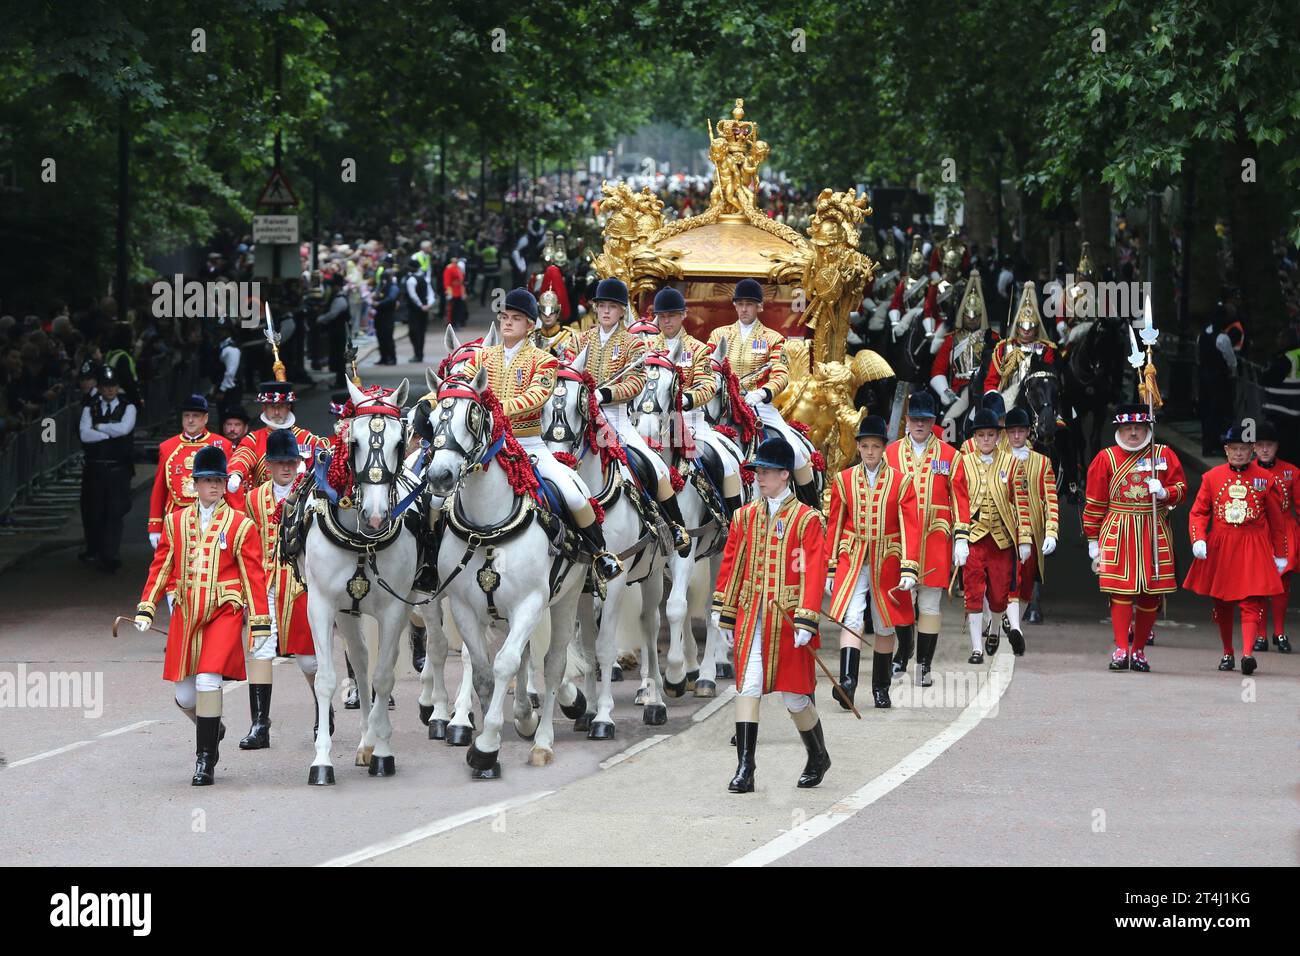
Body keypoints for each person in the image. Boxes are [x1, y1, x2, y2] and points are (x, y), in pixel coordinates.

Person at [437, 288, 621, 581]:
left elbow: (537, 396)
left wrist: (493, 410)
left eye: (517, 318)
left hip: (530, 444)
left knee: (573, 495)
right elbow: (460, 387)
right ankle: (429, 564)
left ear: (531, 325)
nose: (508, 323)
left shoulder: (544, 360)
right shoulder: (479, 358)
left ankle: (600, 554)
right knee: (437, 497)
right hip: (485, 445)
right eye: (505, 317)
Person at [134, 445, 272, 785]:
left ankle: (205, 759)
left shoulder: (241, 525)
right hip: (186, 613)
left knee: (209, 679)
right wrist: (147, 607)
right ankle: (213, 728)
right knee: (184, 696)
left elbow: (254, 576)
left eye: (218, 481)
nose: (212, 486)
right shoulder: (175, 521)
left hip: (224, 611)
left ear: (225, 484)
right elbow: (161, 566)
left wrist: (259, 624)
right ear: (194, 484)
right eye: (206, 481)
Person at [711, 435, 830, 792]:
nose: (759, 478)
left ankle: (818, 754)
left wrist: (808, 618)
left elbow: (815, 569)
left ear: (784, 475)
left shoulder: (807, 519)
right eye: (757, 471)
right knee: (747, 687)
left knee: (795, 697)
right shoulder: (744, 516)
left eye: (765, 472)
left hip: (789, 619)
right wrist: (725, 613)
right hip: (752, 617)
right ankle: (746, 769)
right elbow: (732, 565)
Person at [575, 277, 691, 556]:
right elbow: (567, 370)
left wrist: (606, 394)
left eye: (611, 307)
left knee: (655, 465)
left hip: (615, 417)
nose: (605, 312)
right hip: (579, 416)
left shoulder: (633, 345)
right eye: (601, 306)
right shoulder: (579, 339)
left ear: (622, 311)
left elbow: (636, 382)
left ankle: (676, 526)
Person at [1082, 404, 1188, 672]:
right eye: (1128, 428)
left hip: (1152, 530)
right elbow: (1094, 502)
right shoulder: (1105, 458)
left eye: (1138, 428)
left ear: (1147, 429)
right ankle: (1121, 648)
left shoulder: (1163, 454)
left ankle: (1139, 650)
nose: (1133, 434)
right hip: (1118, 529)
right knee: (1119, 591)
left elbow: (1181, 489)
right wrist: (1092, 538)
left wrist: (1164, 493)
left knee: (1150, 594)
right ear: (1119, 429)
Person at [826, 414, 920, 708]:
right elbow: (835, 524)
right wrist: (831, 566)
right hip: (853, 559)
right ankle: (848, 683)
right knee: (852, 617)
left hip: (888, 560)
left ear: (883, 448)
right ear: (858, 447)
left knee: (884, 625)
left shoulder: (902, 482)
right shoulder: (843, 479)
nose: (870, 451)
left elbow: (911, 527)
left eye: (875, 446)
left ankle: (881, 687)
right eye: (865, 445)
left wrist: (910, 566)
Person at [242, 428, 328, 749]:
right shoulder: (253, 499)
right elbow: (247, 544)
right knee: (260, 651)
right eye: (279, 463)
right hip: (264, 585)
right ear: (268, 465)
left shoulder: (311, 494)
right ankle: (259, 725)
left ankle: (323, 710)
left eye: (291, 461)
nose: (286, 468)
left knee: (308, 660)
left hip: (300, 583)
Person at [1184, 421, 1288, 675]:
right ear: (1226, 450)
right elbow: (1198, 512)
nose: (1239, 453)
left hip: (1253, 545)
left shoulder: (1266, 479)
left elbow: (1277, 521)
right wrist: (1198, 538)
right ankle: (1228, 652)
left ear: (1252, 450)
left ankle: (1248, 654)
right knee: (1222, 602)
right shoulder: (1211, 478)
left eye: (1243, 448)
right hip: (1222, 544)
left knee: (1252, 600)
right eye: (1234, 448)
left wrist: (1280, 554)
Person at [707, 278, 820, 508]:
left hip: (759, 406)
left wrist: (762, 393)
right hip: (724, 404)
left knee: (796, 451)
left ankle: (814, 509)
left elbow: (781, 374)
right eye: (740, 303)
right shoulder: (718, 336)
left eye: (750, 304)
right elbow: (707, 369)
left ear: (759, 306)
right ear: (735, 305)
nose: (745, 309)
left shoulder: (773, 338)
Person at [884, 391, 967, 683]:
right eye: (915, 419)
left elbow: (960, 498)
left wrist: (962, 538)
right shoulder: (890, 453)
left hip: (935, 539)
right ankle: (902, 654)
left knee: (929, 605)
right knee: (902, 602)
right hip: (900, 541)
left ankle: (924, 665)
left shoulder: (950, 455)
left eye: (925, 420)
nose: (920, 424)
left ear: (933, 421)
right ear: (907, 419)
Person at [646, 286, 744, 516]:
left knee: (726, 463)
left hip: (690, 418)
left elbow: (707, 385)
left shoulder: (698, 349)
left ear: (683, 315)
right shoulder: (646, 349)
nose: (667, 321)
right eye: (662, 316)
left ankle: (733, 522)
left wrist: (683, 400)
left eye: (671, 315)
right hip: (650, 417)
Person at [952, 409, 1031, 663]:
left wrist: (1025, 538)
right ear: (974, 438)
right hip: (974, 537)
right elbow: (958, 501)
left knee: (999, 595)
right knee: (974, 592)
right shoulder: (962, 463)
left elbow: (1022, 503)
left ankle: (995, 628)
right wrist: (960, 538)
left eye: (991, 435)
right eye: (981, 435)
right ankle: (976, 647)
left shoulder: (1011, 463)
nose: (986, 439)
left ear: (999, 437)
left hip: (1001, 539)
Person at [148, 394, 232, 547]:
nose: (190, 420)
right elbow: (159, 489)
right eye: (186, 416)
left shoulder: (222, 445)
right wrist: (155, 526)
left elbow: (231, 490)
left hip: (214, 515)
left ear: (205, 418)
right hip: (176, 517)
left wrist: (235, 521)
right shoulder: (168, 447)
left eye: (195, 416)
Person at [226, 379, 328, 504]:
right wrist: (236, 474)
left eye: (281, 407)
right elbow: (242, 456)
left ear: (288, 407)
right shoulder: (254, 439)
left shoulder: (307, 438)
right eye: (272, 407)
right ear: (264, 408)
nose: (276, 412)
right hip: (263, 506)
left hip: (299, 506)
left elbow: (324, 464)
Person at [78, 364, 137, 572]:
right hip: (95, 469)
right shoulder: (90, 407)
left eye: (112, 386)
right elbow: (84, 434)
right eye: (105, 386)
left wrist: (100, 428)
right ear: (100, 387)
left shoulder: (128, 407)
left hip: (118, 469)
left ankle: (110, 554)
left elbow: (124, 429)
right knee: (95, 512)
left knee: (114, 511)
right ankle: (97, 549)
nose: (109, 390)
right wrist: (108, 434)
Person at [1005, 406, 1059, 628]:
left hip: (1033, 532)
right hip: (1005, 531)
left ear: (1029, 432)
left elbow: (1051, 500)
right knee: (1007, 583)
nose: (1016, 436)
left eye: (1021, 431)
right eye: (1012, 431)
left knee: (1026, 586)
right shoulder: (996, 459)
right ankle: (1012, 626)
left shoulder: (1042, 462)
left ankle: (1014, 622)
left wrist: (1051, 532)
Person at [1253, 420, 1296, 652]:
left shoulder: (1292, 472)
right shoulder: (1246, 471)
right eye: (1260, 445)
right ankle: (1260, 635)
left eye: (1269, 444)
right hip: (1259, 531)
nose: (1265, 449)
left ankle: (1279, 632)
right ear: (1254, 448)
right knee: (1259, 584)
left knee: (1282, 584)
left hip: (1284, 530)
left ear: (1277, 447)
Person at [982, 281, 1056, 396]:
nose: (1026, 331)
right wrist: (995, 400)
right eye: (1022, 326)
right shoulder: (1003, 347)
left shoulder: (1046, 349)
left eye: (1030, 327)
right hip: (1006, 400)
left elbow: (1049, 381)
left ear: (1037, 329)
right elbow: (991, 381)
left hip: (1036, 400)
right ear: (1017, 328)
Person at [319, 273, 351, 387]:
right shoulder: (338, 297)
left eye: (333, 285)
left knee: (338, 356)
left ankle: (341, 381)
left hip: (338, 331)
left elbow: (332, 314)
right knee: (337, 355)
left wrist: (321, 319)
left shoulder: (340, 299)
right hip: (336, 331)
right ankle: (340, 380)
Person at [403, 255, 436, 363]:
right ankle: (419, 353)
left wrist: (420, 305)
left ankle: (417, 354)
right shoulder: (424, 278)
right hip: (424, 309)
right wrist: (428, 305)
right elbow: (431, 293)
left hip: (415, 310)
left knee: (414, 332)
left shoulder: (411, 279)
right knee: (421, 332)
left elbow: (413, 296)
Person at [532, 289, 579, 359]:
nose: (547, 315)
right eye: (543, 311)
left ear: (557, 313)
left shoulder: (569, 337)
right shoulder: (532, 337)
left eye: (552, 311)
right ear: (539, 313)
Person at [371, 263, 400, 365]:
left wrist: (378, 303)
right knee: (380, 337)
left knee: (388, 337)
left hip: (388, 315)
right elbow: (376, 295)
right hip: (379, 315)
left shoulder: (393, 287)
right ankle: (383, 357)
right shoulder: (381, 286)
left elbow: (391, 299)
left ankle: (392, 358)